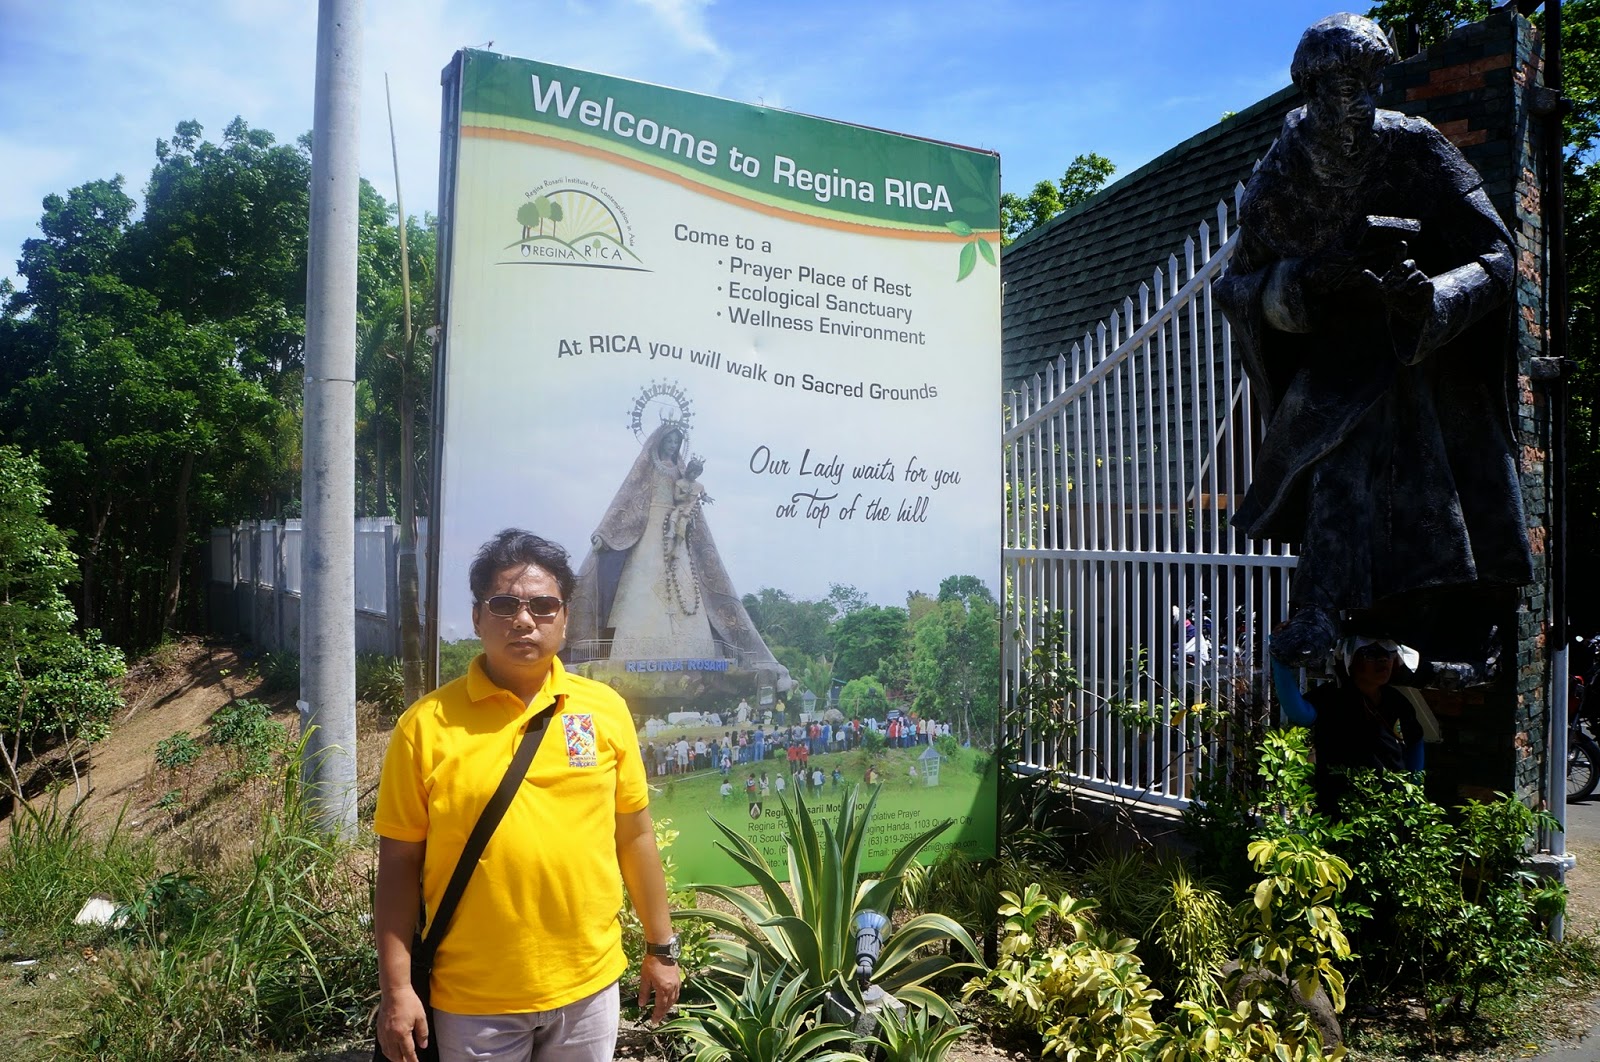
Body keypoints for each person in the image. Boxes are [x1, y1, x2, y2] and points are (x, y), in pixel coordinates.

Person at [1214, 13, 1532, 666]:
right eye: (1336, 88)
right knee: (1340, 456)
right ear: (1308, 94)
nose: (1353, 104)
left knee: (1421, 479)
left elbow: (1499, 256)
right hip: (1335, 363)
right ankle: (1323, 609)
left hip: (1426, 354)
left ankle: (1439, 631)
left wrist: (1433, 295)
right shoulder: (1279, 176)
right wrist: (1302, 281)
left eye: (1365, 84)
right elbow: (1235, 286)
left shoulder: (1415, 147)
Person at [374, 529, 678, 1062]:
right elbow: (398, 867)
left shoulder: (604, 711)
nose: (523, 619)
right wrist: (398, 991)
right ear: (477, 617)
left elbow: (635, 836)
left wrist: (661, 948)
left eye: (542, 605)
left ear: (564, 617)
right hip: (473, 999)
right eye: (504, 604)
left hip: (588, 986)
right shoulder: (425, 727)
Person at [1272, 634, 1427, 813]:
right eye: (1370, 653)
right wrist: (1279, 659)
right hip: (1339, 812)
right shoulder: (1330, 698)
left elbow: (1415, 741)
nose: (1383, 659)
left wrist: (1413, 793)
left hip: (1390, 811)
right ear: (1350, 660)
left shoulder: (1398, 702)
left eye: (1389, 652)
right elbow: (1299, 713)